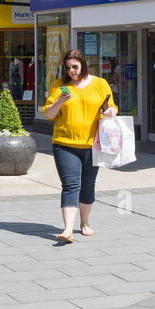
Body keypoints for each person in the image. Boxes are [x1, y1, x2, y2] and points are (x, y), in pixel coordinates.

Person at [42, 48, 117, 244]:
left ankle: (84, 222)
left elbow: (112, 108)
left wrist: (109, 111)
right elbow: (49, 115)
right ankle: (67, 230)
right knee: (70, 185)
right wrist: (60, 101)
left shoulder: (100, 84)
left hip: (93, 145)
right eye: (67, 68)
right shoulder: (60, 86)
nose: (71, 71)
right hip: (65, 144)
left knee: (88, 185)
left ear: (83, 64)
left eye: (75, 67)